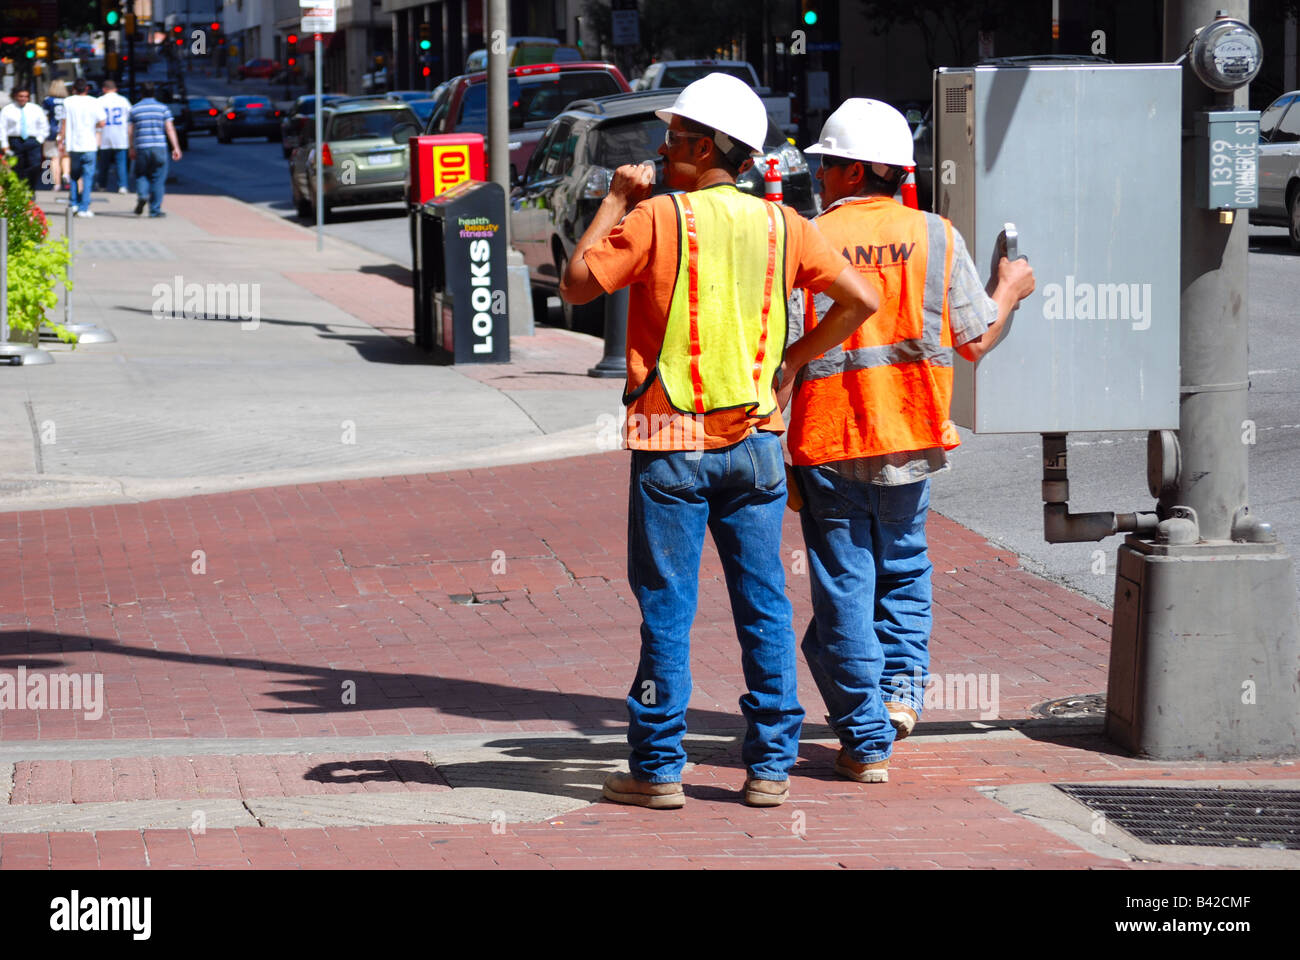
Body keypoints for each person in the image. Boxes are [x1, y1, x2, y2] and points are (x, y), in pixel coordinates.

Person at [560, 73, 879, 809]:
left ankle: (657, 770)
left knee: (667, 610)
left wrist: (615, 200)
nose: (661, 149)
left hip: (670, 439)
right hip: (757, 440)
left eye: (672, 137)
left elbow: (576, 283)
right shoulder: (785, 224)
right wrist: (793, 362)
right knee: (764, 605)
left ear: (706, 148)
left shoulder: (657, 217)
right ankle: (770, 767)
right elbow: (861, 299)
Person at [782, 99, 1036, 783]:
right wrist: (1010, 289)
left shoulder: (807, 239)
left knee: (845, 587)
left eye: (828, 165)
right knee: (902, 573)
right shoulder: (936, 235)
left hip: (829, 438)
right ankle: (897, 697)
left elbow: (785, 354)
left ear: (855, 170)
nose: (820, 176)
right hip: (911, 435)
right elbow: (975, 339)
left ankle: (867, 737)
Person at [127, 83, 183, 218]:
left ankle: (142, 195)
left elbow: (130, 131)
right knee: (158, 178)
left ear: (141, 93)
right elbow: (169, 128)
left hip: (142, 147)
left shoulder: (135, 109)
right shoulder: (163, 108)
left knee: (141, 175)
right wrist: (176, 147)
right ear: (154, 93)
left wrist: (131, 147)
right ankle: (154, 210)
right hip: (159, 147)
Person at [59, 78, 106, 217]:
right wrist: (92, 126)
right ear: (87, 89)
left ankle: (73, 203)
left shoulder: (68, 102)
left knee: (74, 175)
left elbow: (64, 123)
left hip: (73, 144)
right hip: (89, 143)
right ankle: (84, 207)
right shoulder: (94, 102)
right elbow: (102, 123)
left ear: (74, 89)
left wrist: (61, 140)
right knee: (88, 177)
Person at [0, 86, 50, 191]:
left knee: (35, 166)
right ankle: (20, 190)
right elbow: (2, 128)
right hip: (15, 141)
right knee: (17, 167)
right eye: (21, 96)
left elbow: (44, 125)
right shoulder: (7, 110)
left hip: (32, 141)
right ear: (15, 96)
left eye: (26, 96)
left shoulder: (35, 109)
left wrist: (39, 140)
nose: (23, 99)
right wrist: (5, 145)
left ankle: (31, 188)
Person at [95, 79, 132, 193]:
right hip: (121, 135)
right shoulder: (123, 101)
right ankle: (123, 186)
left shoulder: (99, 101)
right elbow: (130, 118)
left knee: (103, 164)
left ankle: (102, 185)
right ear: (116, 89)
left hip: (104, 135)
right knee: (121, 163)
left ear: (104, 89)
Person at [42, 80, 69, 191]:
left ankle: (56, 184)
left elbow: (44, 117)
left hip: (51, 131)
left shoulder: (48, 101)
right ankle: (66, 173)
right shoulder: (68, 101)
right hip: (66, 132)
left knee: (54, 158)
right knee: (66, 156)